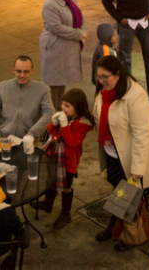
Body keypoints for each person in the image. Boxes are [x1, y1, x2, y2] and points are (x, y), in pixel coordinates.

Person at [93, 55, 149, 250]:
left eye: (105, 77)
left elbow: (141, 135)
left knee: (135, 195)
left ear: (118, 74)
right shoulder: (105, 91)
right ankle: (117, 226)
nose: (101, 82)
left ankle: (134, 233)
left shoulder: (135, 96)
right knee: (120, 191)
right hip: (114, 153)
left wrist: (137, 169)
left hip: (133, 156)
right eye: (98, 77)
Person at [39, 88, 94, 229]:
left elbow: (72, 142)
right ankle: (48, 204)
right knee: (51, 180)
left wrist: (64, 125)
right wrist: (54, 122)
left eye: (67, 106)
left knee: (66, 187)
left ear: (78, 107)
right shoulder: (66, 116)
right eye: (63, 104)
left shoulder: (83, 124)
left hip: (68, 162)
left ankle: (65, 213)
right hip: (54, 156)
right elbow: (50, 131)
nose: (63, 108)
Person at [0, 56, 55, 151]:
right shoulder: (1, 88)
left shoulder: (43, 90)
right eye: (19, 71)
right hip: (3, 142)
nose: (22, 75)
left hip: (28, 143)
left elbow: (49, 113)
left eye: (26, 72)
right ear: (14, 70)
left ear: (32, 71)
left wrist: (31, 135)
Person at [39, 0, 88, 110]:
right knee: (56, 85)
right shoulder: (50, 5)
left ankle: (63, 111)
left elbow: (79, 16)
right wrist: (79, 34)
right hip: (54, 49)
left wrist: (82, 30)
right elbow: (57, 28)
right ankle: (57, 115)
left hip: (66, 49)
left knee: (63, 81)